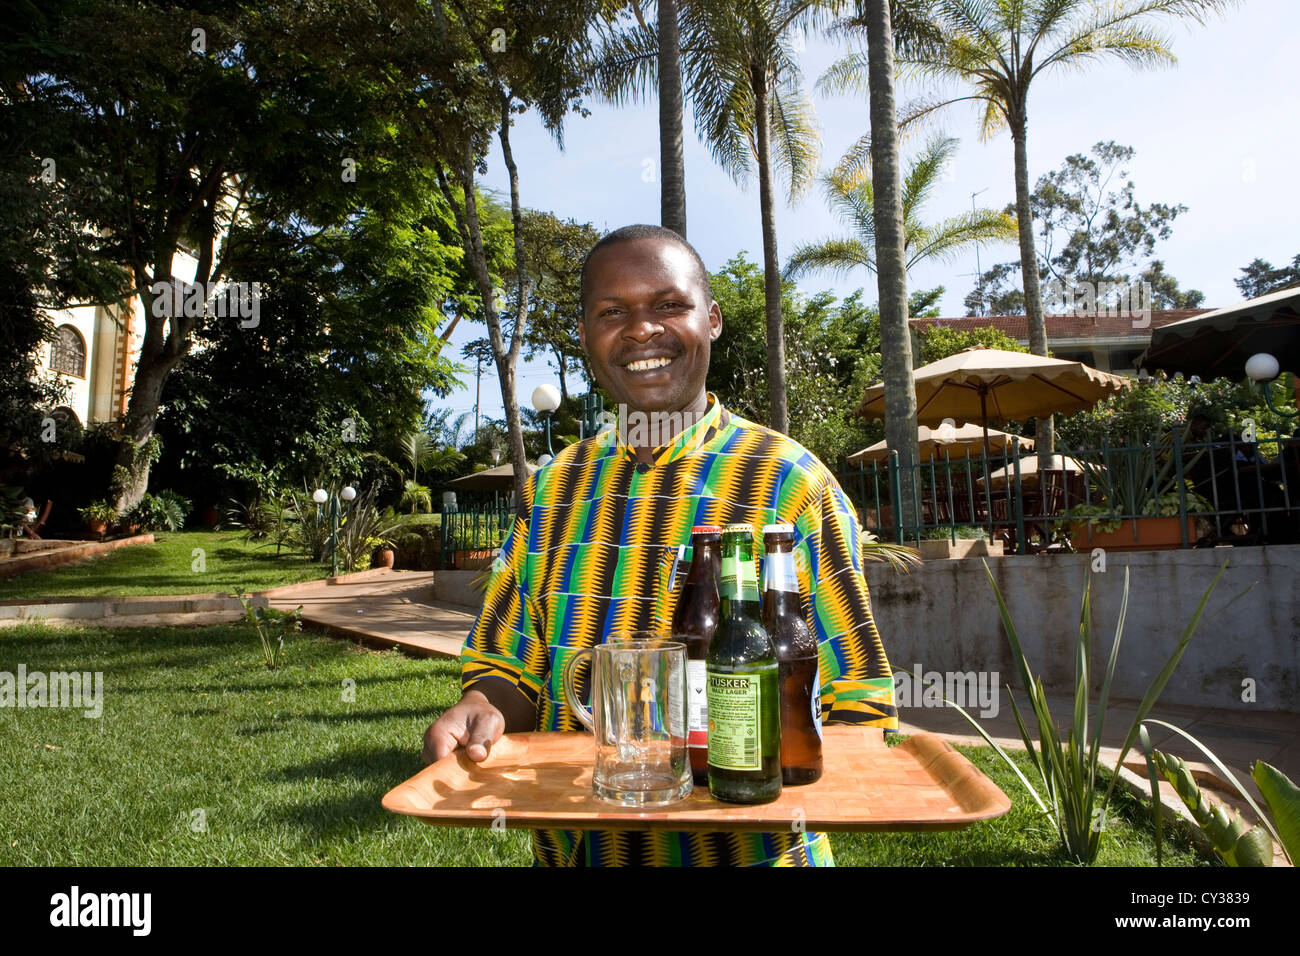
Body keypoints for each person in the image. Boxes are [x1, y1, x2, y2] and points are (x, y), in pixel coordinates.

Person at [422, 224, 896, 866]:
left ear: (713, 319)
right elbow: (510, 667)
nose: (642, 329)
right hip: (578, 850)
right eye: (612, 312)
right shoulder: (553, 487)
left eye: (669, 305)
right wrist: (479, 707)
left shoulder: (789, 483)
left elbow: (858, 701)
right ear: (587, 337)